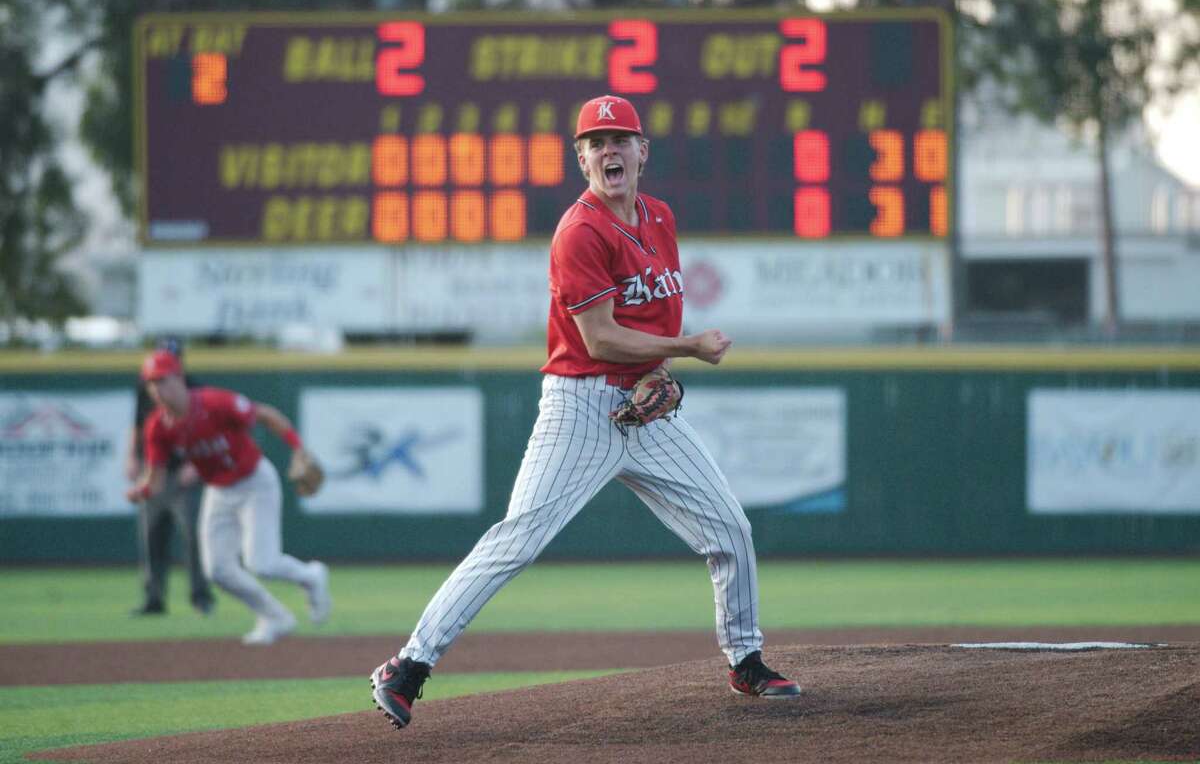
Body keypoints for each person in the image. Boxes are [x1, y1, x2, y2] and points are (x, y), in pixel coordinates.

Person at [370, 94, 800, 730]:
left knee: (729, 529)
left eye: (620, 139)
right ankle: (409, 666)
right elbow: (600, 338)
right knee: (517, 540)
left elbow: (654, 319)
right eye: (595, 143)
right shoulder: (580, 231)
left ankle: (745, 660)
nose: (609, 151)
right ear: (581, 159)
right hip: (581, 408)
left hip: (647, 413)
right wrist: (687, 349)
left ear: (643, 151)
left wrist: (663, 374)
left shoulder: (659, 218)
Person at [127, 349, 331, 645]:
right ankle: (275, 616)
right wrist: (142, 490)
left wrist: (297, 447)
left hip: (254, 482)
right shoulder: (157, 426)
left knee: (261, 563)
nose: (158, 389)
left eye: (163, 380)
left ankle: (311, 576)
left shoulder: (213, 402)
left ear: (180, 378)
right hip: (219, 491)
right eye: (151, 383)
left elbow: (265, 414)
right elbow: (155, 478)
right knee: (218, 570)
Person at [126, 338, 215, 616]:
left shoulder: (196, 388)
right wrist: (131, 456)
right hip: (155, 471)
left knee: (193, 537)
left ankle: (201, 597)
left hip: (183, 474)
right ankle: (154, 598)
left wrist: (196, 465)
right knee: (151, 536)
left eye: (172, 357)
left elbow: (210, 432)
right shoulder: (146, 387)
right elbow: (139, 425)